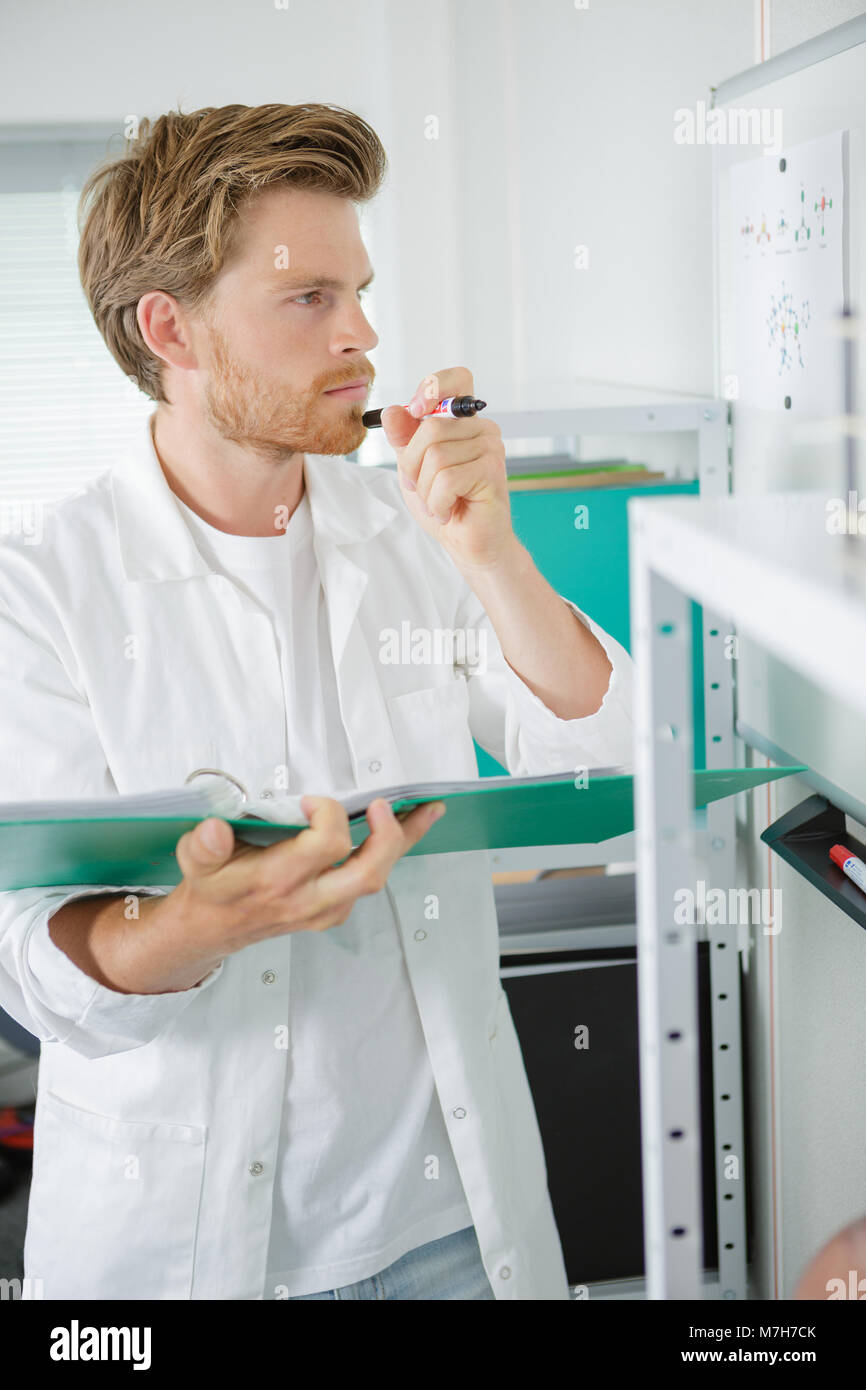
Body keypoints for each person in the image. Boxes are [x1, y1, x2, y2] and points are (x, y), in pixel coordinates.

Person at [0, 103, 634, 1300]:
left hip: (450, 1234)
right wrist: (205, 924)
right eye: (309, 298)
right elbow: (32, 952)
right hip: (171, 1260)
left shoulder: (405, 531)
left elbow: (599, 757)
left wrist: (490, 554)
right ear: (169, 327)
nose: (363, 332)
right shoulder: (41, 588)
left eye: (359, 290)